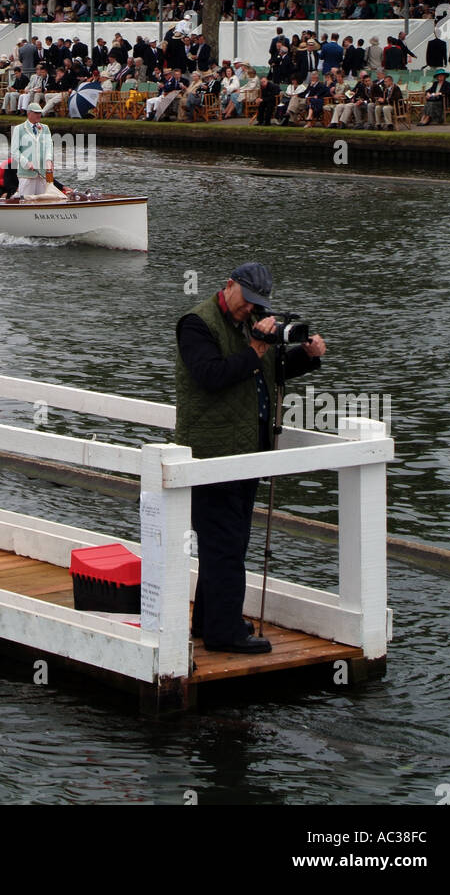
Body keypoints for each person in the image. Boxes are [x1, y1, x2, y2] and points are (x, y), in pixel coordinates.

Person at [175, 263, 326, 653]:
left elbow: (268, 371)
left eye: (259, 304)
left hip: (247, 449)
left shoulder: (253, 323)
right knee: (224, 542)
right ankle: (225, 634)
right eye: (247, 302)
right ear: (228, 285)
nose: (251, 310)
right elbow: (212, 376)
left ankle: (210, 622)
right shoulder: (195, 324)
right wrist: (257, 346)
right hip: (213, 452)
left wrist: (305, 356)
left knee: (224, 542)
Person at [11, 102, 54, 197]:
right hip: (27, 174)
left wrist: (48, 160)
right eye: (36, 113)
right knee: (26, 201)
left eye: (40, 113)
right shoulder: (19, 129)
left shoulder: (45, 128)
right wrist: (26, 163)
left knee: (43, 201)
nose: (39, 115)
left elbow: (49, 146)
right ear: (29, 113)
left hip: (42, 173)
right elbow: (14, 151)